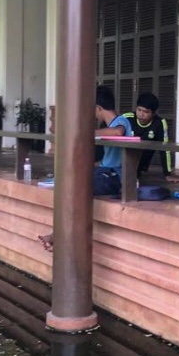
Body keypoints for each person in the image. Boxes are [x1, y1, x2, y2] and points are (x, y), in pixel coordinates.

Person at [39, 85, 132, 252]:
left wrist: (88, 132)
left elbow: (118, 133)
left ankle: (60, 237)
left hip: (114, 177)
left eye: (94, 111)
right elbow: (108, 159)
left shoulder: (121, 121)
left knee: (77, 189)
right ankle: (58, 235)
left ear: (99, 108)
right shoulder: (110, 125)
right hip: (105, 172)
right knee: (69, 182)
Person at [123, 92, 179, 184]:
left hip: (141, 164)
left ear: (153, 113)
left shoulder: (160, 123)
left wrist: (168, 174)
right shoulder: (126, 118)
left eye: (146, 112)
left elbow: (165, 149)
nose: (141, 114)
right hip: (122, 162)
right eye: (139, 110)